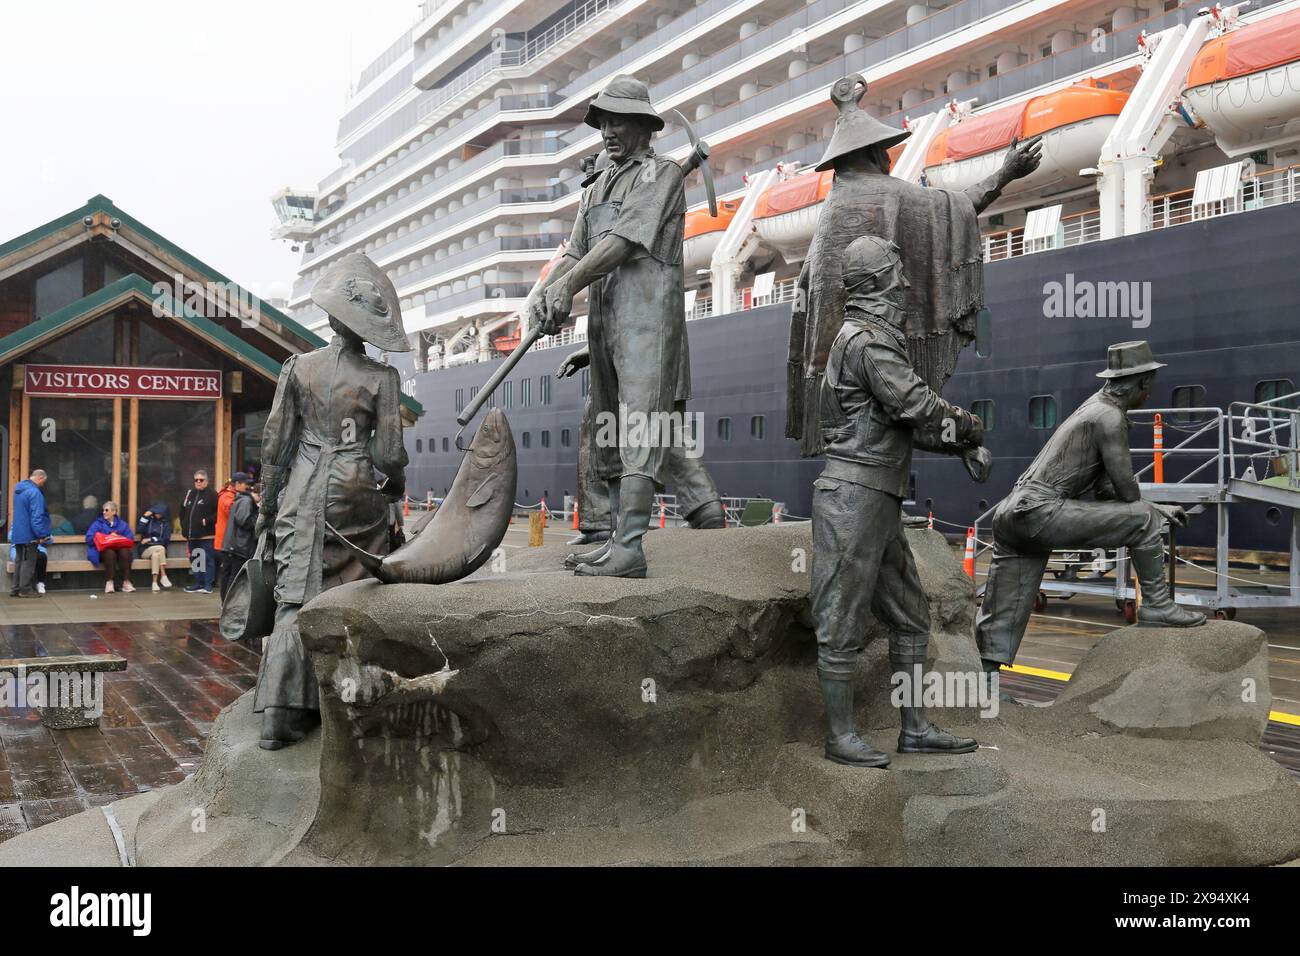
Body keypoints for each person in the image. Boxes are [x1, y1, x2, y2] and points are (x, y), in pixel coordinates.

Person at [786, 73, 1043, 456]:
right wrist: (1006, 173)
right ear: (872, 153)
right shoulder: (888, 193)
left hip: (838, 375)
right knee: (884, 416)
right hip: (875, 362)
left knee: (867, 422)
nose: (887, 156)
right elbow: (959, 207)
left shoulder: (832, 208)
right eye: (883, 149)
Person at [810, 236, 991, 768]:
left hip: (876, 496)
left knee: (910, 616)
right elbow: (915, 405)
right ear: (878, 284)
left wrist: (960, 446)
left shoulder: (868, 338)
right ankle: (840, 736)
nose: (906, 284)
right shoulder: (868, 342)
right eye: (896, 274)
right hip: (854, 495)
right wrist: (972, 431)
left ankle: (914, 728)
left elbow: (900, 419)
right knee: (840, 618)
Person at [528, 75, 690, 578]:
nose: (608, 131)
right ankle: (616, 540)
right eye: (603, 121)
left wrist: (568, 284)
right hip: (604, 322)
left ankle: (632, 547)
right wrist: (545, 294)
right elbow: (576, 249)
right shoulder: (599, 183)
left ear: (644, 125)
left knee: (641, 425)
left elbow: (623, 241)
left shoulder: (661, 176)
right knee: (611, 430)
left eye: (618, 120)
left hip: (646, 321)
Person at [975, 342, 1205, 680]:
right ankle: (1157, 605)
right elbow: (1127, 493)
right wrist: (1152, 511)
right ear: (1140, 383)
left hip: (1014, 513)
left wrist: (1156, 506)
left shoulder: (1091, 409)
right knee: (1142, 522)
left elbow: (1104, 490)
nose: (1150, 393)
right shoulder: (1110, 418)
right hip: (1041, 510)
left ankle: (985, 680)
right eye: (1150, 385)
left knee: (1007, 598)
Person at [254, 252, 410, 750]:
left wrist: (266, 507)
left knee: (294, 594)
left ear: (329, 315)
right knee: (348, 593)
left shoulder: (298, 368)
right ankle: (343, 702)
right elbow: (388, 454)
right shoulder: (381, 378)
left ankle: (278, 714)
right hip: (355, 491)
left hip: (301, 488)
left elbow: (275, 444)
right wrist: (396, 490)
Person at [557, 345, 725, 562]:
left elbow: (629, 315)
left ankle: (603, 522)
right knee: (665, 422)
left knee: (603, 421)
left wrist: (594, 347)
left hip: (637, 351)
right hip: (665, 348)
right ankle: (703, 502)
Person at [9, 469, 51, 598]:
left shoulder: (19, 490)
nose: (42, 485)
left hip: (18, 532)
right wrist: (42, 534)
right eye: (43, 482)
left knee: (19, 560)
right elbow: (36, 516)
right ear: (39, 478)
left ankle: (15, 589)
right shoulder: (34, 492)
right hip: (29, 535)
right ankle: (25, 590)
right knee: (28, 561)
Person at [219, 473, 256, 600]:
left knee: (227, 576)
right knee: (234, 578)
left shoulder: (237, 499)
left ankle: (225, 604)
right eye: (246, 484)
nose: (248, 486)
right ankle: (229, 606)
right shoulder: (244, 500)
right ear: (238, 484)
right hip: (237, 546)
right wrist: (257, 519)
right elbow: (243, 521)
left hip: (230, 545)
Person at [180, 469, 218, 592]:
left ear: (206, 481)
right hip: (192, 535)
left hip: (206, 535)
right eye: (196, 480)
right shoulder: (190, 493)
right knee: (196, 559)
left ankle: (208, 585)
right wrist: (184, 525)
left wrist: (206, 521)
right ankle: (199, 583)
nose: (198, 482)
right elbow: (183, 510)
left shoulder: (212, 494)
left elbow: (218, 513)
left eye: (201, 480)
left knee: (207, 559)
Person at [86, 501, 136, 594]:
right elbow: (89, 538)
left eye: (106, 510)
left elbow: (130, 538)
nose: (104, 512)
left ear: (114, 512)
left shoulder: (122, 524)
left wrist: (117, 537)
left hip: (119, 551)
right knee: (110, 553)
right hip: (101, 552)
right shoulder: (97, 524)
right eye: (103, 510)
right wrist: (107, 537)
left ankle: (126, 582)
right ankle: (109, 582)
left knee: (125, 552)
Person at [135, 502, 174, 591]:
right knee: (161, 548)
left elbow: (165, 540)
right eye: (156, 512)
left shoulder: (166, 524)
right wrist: (145, 516)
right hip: (145, 550)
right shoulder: (149, 520)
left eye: (160, 513)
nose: (158, 514)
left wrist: (150, 539)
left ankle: (154, 583)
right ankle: (163, 575)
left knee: (156, 554)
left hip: (158, 551)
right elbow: (139, 530)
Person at [213, 478, 236, 590]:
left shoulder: (226, 495)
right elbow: (233, 511)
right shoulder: (227, 496)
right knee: (228, 572)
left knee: (227, 571)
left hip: (225, 540)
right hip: (226, 541)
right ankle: (226, 598)